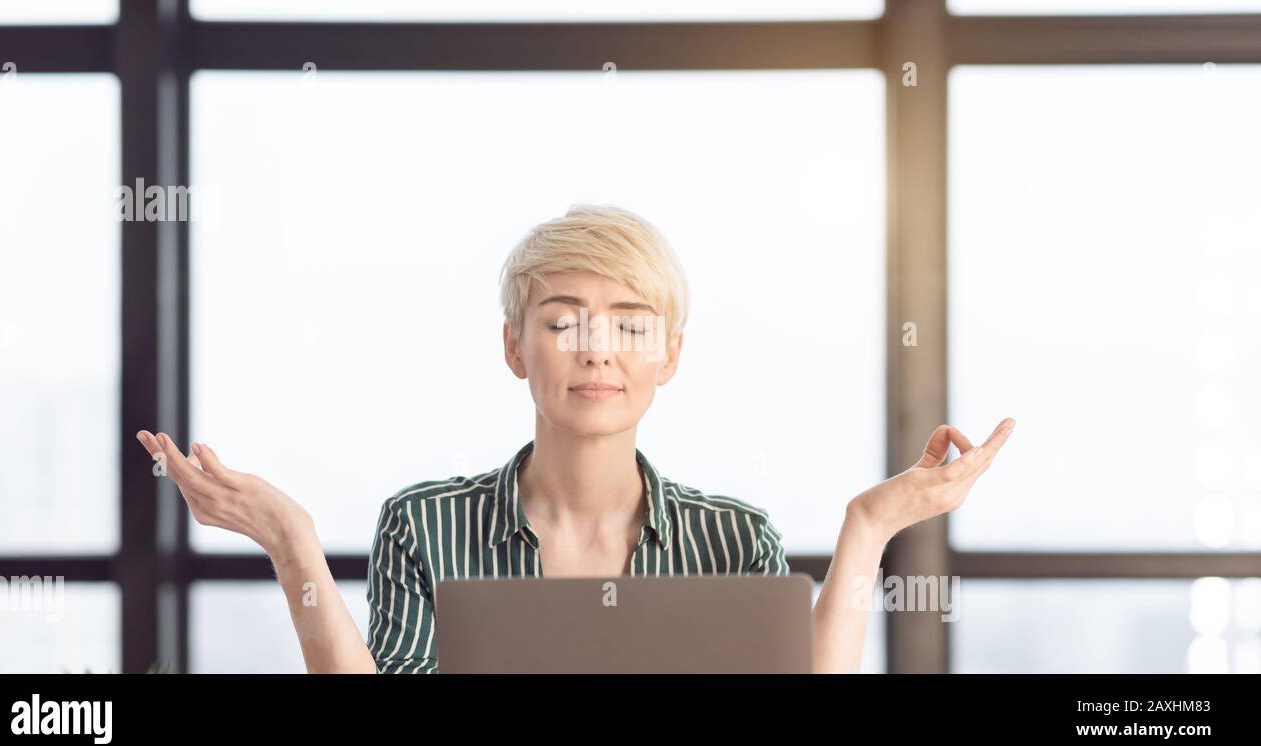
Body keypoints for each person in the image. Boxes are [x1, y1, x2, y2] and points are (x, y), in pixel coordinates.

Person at [135, 204, 1014, 674]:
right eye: (565, 322)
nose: (597, 347)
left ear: (670, 354)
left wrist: (868, 526)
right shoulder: (424, 527)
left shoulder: (734, 540)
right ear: (515, 346)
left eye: (632, 325)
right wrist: (292, 543)